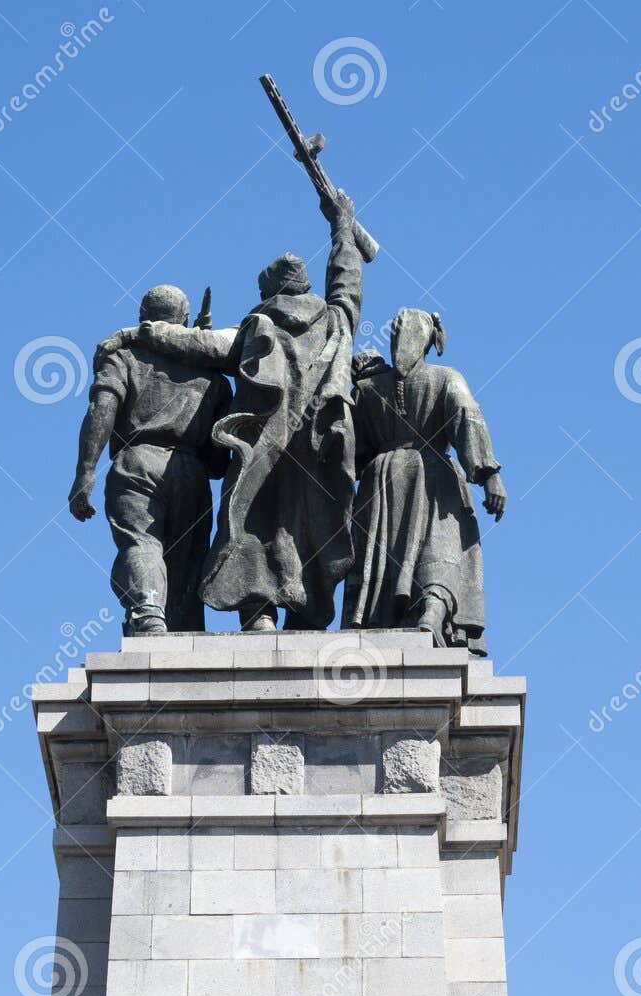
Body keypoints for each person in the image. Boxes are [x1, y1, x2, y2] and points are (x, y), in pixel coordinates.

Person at [99, 190, 362, 632]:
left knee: (253, 521)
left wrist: (137, 333)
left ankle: (258, 615)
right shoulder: (337, 319)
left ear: (269, 292)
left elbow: (201, 344)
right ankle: (303, 615)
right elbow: (346, 280)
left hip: (262, 441)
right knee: (307, 521)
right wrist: (342, 227)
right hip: (317, 442)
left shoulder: (257, 326)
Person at [68, 285, 232, 635]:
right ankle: (182, 630)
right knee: (188, 558)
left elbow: (102, 410)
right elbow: (219, 460)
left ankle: (148, 613)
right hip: (192, 472)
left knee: (141, 542)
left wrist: (85, 472)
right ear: (184, 319)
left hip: (137, 462)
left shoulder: (124, 356)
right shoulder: (213, 375)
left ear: (143, 315)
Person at [341, 308, 506, 656]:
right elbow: (467, 416)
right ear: (430, 341)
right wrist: (489, 475)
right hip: (434, 474)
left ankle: (386, 616)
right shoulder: (446, 378)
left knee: (385, 555)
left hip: (381, 478)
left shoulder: (366, 389)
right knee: (443, 546)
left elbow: (350, 448)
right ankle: (432, 610)